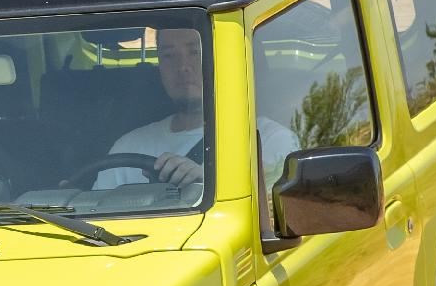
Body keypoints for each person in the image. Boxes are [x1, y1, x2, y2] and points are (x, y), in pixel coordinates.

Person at [93, 27, 299, 192]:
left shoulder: (265, 140)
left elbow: (271, 217)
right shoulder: (129, 147)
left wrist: (206, 186)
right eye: (169, 55)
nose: (183, 66)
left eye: (195, 52)